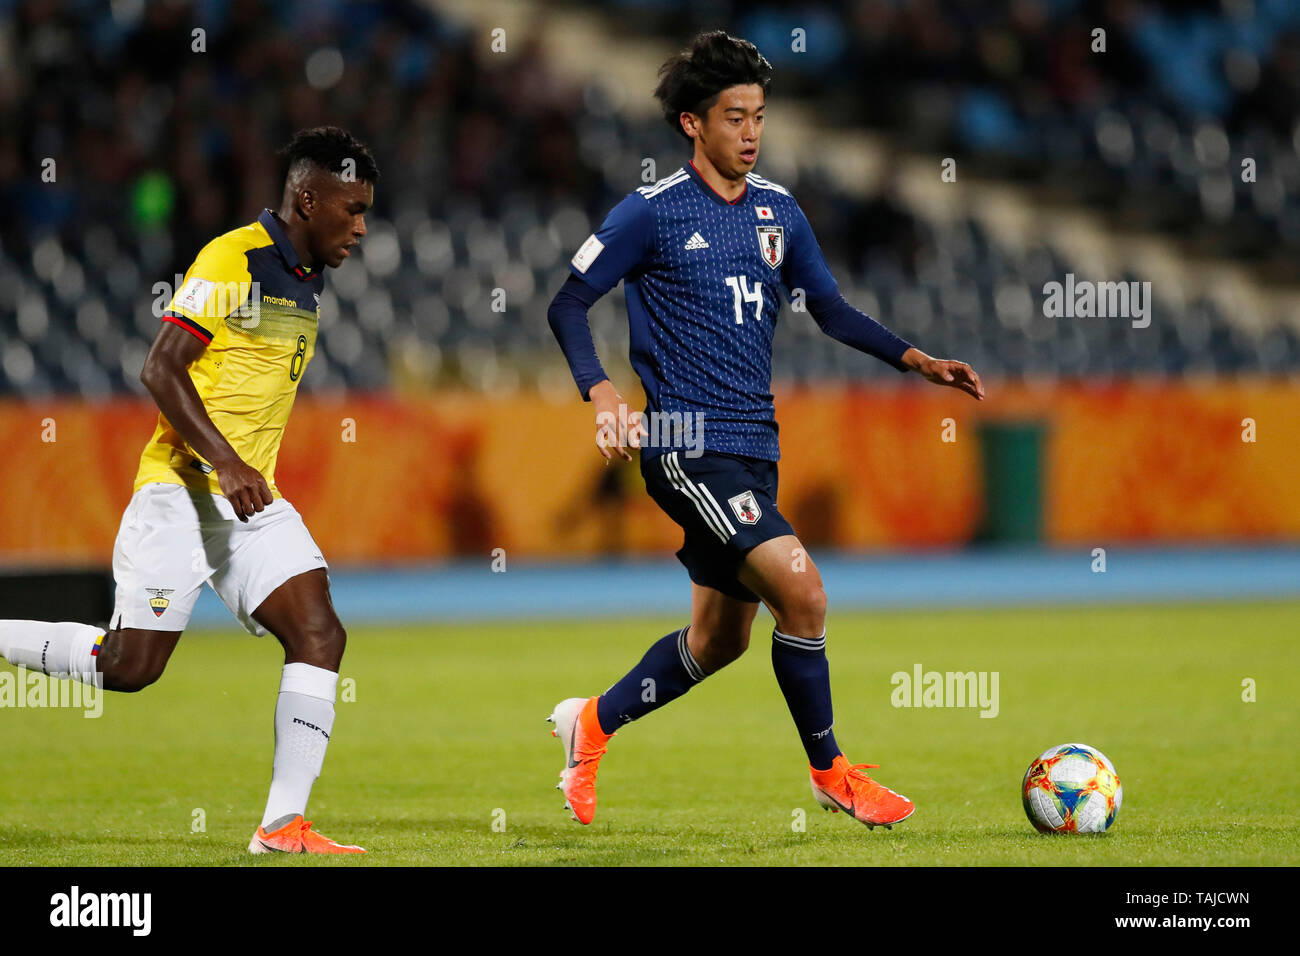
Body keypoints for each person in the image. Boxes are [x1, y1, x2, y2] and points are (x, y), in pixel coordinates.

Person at [546, 32, 984, 829]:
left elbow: (829, 308)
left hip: (755, 444)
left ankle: (592, 722)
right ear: (692, 124)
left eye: (759, 117)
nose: (751, 132)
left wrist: (915, 358)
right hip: (685, 442)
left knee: (718, 643)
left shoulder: (780, 212)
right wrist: (605, 395)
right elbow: (568, 303)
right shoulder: (650, 213)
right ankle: (831, 772)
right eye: (734, 116)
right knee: (805, 594)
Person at [0, 126, 378, 854]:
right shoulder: (232, 258)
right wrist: (228, 463)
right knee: (131, 667)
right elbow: (161, 368)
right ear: (306, 198)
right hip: (182, 491)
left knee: (320, 633)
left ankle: (281, 825)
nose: (360, 226)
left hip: (249, 505)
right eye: (351, 209)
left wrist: (243, 474)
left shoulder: (306, 276)